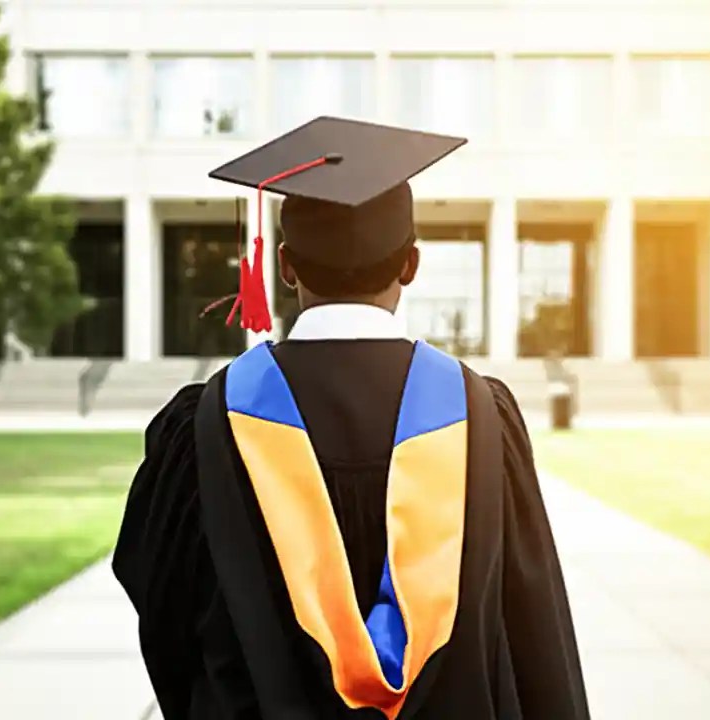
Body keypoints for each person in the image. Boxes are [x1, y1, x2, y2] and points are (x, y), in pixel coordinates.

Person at [112, 116, 589, 719]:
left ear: (285, 267)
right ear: (410, 265)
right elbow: (536, 637)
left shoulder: (208, 424)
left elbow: (166, 621)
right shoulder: (479, 418)